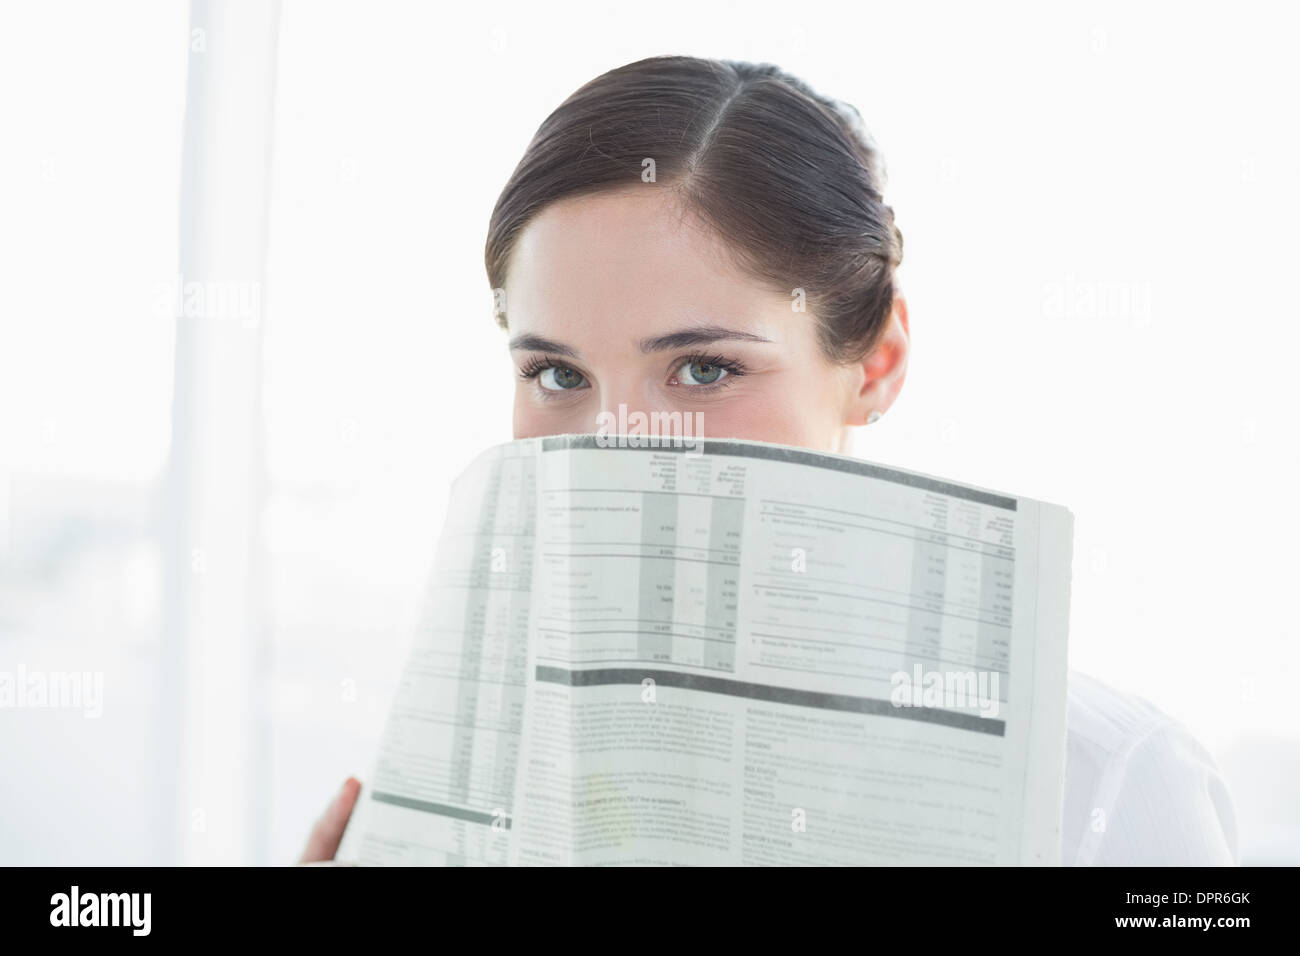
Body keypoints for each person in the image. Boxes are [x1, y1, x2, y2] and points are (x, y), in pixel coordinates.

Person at [300, 55, 1238, 866]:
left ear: (877, 362)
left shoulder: (1114, 788)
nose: (619, 446)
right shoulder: (463, 768)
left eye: (703, 369)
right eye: (555, 372)